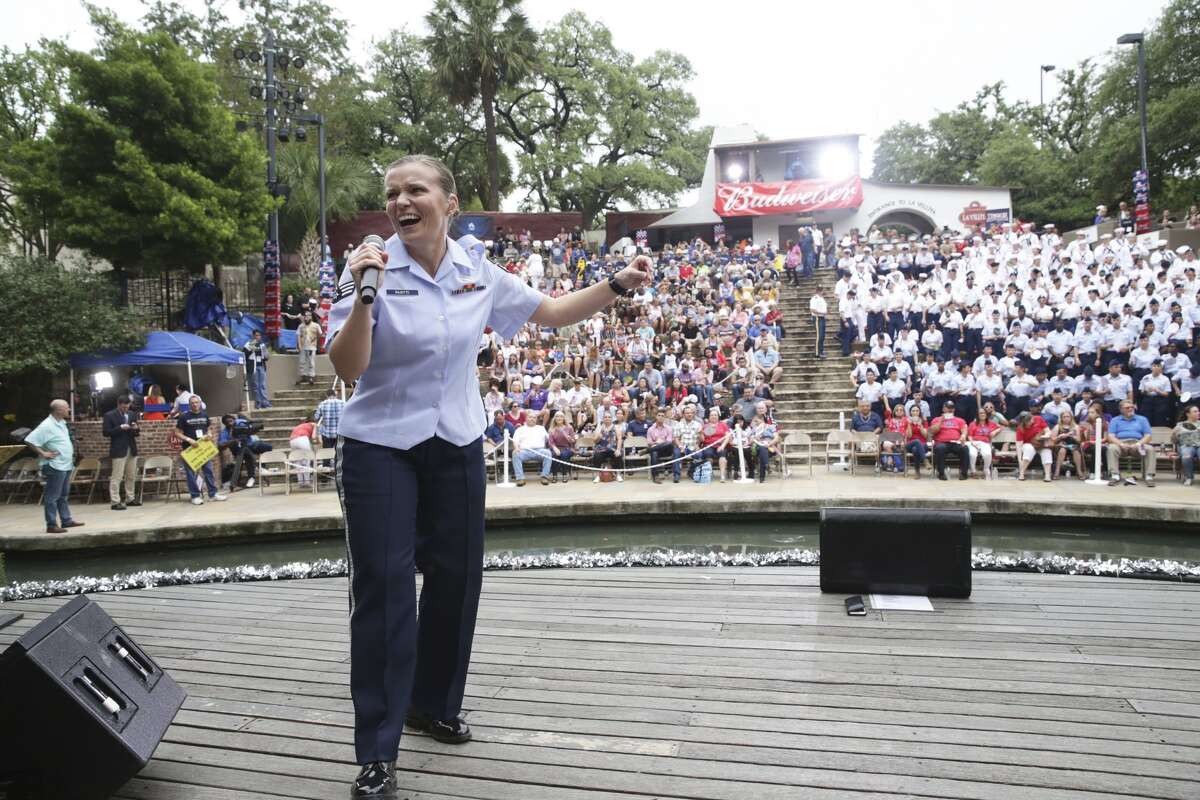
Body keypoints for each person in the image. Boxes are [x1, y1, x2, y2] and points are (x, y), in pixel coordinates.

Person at [326, 153, 651, 797]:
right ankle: (377, 749)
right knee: (387, 590)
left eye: (415, 190)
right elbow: (347, 366)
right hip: (380, 444)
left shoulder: (477, 267)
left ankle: (434, 705)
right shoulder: (369, 267)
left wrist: (616, 284)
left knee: (458, 576)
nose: (400, 202)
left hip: (455, 439)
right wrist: (363, 294)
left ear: (448, 202)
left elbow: (552, 313)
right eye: (391, 193)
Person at [24, 399, 85, 533]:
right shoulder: (46, 425)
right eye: (67, 408)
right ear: (58, 410)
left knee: (63, 494)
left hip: (65, 464)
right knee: (52, 496)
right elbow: (29, 440)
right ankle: (51, 524)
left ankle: (66, 520)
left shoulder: (62, 423)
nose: (69, 410)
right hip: (54, 465)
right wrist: (43, 453)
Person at [173, 394, 228, 505]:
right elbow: (177, 433)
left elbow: (208, 429)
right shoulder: (184, 417)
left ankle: (213, 494)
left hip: (203, 449)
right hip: (190, 449)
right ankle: (195, 496)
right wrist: (189, 440)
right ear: (189, 405)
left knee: (208, 471)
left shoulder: (204, 415)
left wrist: (209, 434)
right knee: (190, 474)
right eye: (192, 403)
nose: (195, 404)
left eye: (196, 402)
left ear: (200, 403)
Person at [102, 395, 141, 509]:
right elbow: (106, 432)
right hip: (118, 448)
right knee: (117, 476)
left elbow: (136, 433)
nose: (126, 409)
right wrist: (120, 428)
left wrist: (136, 428)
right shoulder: (109, 415)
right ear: (118, 404)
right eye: (124, 407)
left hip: (131, 447)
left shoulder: (132, 414)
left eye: (127, 407)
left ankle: (130, 498)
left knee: (131, 475)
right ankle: (115, 501)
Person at [1105, 400, 1155, 487]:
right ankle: (1115, 475)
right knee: (1111, 448)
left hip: (1138, 443)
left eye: (1132, 407)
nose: (1130, 409)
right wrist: (1121, 444)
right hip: (1120, 444)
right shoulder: (1115, 420)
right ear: (1121, 410)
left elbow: (1148, 436)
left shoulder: (1142, 419)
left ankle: (1149, 476)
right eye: (1127, 408)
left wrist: (1138, 444)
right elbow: (1110, 436)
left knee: (1150, 449)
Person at [929, 400, 969, 481]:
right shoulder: (936, 419)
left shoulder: (959, 420)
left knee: (964, 448)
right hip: (941, 442)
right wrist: (941, 421)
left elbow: (964, 429)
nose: (950, 410)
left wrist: (963, 435)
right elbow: (932, 431)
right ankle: (941, 473)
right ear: (943, 409)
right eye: (948, 408)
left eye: (952, 408)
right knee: (940, 448)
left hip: (955, 442)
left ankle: (964, 473)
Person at [511, 413, 552, 486]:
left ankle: (544, 476)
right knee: (515, 454)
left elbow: (549, 439)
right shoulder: (520, 429)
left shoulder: (541, 428)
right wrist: (516, 448)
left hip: (539, 450)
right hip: (524, 451)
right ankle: (520, 478)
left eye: (534, 417)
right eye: (530, 417)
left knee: (548, 453)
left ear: (536, 420)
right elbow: (515, 441)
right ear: (526, 418)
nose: (532, 419)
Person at [1014, 411, 1053, 482]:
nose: (1032, 421)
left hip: (1041, 442)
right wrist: (1020, 460)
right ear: (1024, 422)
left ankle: (1047, 475)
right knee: (1029, 449)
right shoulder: (1020, 429)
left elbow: (1048, 431)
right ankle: (1021, 473)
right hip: (1028, 443)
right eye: (1029, 420)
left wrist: (1046, 435)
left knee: (1047, 451)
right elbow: (1019, 445)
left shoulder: (1038, 418)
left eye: (1032, 418)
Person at [1050, 408, 1086, 480]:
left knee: (1075, 451)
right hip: (1061, 444)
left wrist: (1072, 435)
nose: (1066, 418)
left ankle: (1079, 471)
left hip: (1073, 444)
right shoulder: (1057, 427)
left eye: (1068, 416)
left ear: (1071, 418)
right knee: (1062, 450)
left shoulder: (1076, 427)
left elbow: (1079, 440)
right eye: (1064, 417)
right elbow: (1052, 440)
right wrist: (1060, 437)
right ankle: (1057, 471)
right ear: (1061, 418)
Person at [966, 407, 1000, 480]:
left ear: (986, 414)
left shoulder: (991, 423)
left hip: (985, 443)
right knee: (972, 454)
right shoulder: (973, 424)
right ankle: (973, 471)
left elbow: (1000, 427)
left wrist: (995, 431)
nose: (982, 414)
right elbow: (969, 436)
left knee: (987, 454)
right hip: (974, 442)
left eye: (984, 413)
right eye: (980, 413)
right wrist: (972, 443)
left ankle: (986, 469)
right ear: (977, 415)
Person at [1171, 405, 1200, 486]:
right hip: (1186, 446)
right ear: (1188, 414)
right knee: (1186, 456)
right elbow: (1173, 440)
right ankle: (1188, 477)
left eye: (1198, 411)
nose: (1198, 413)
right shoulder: (1180, 425)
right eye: (1195, 411)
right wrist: (1174, 434)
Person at [243, 330, 272, 409]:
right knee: (256, 386)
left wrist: (266, 355)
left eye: (259, 335)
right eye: (256, 335)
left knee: (262, 385)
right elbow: (245, 354)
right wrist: (252, 348)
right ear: (253, 336)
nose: (258, 337)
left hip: (261, 366)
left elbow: (266, 356)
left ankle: (265, 402)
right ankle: (258, 403)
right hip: (253, 367)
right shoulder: (248, 344)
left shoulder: (262, 345)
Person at [289, 415, 319, 487]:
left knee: (298, 463)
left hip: (292, 441)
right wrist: (317, 440)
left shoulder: (301, 425)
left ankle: (301, 483)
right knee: (306, 462)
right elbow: (314, 437)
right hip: (302, 439)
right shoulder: (314, 424)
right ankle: (307, 482)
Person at [546, 411, 576, 482]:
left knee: (564, 455)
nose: (559, 418)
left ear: (564, 418)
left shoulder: (569, 428)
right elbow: (550, 442)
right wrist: (555, 448)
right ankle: (554, 475)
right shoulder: (552, 429)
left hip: (567, 448)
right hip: (556, 448)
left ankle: (564, 475)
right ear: (554, 418)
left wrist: (570, 439)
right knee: (553, 455)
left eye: (561, 416)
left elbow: (573, 441)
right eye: (557, 416)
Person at [297, 311, 323, 385]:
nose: (306, 317)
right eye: (305, 316)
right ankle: (303, 376)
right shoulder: (301, 326)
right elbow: (298, 335)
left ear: (311, 317)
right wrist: (299, 345)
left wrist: (315, 338)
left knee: (311, 362)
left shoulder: (316, 325)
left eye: (308, 316)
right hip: (303, 346)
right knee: (302, 361)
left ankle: (311, 376)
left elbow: (320, 334)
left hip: (311, 346)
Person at [810, 287, 827, 358]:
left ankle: (821, 350)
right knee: (819, 335)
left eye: (821, 290)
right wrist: (821, 312)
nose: (821, 291)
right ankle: (817, 352)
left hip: (822, 317)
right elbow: (812, 309)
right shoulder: (814, 298)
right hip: (817, 317)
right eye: (819, 290)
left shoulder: (822, 298)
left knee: (822, 336)